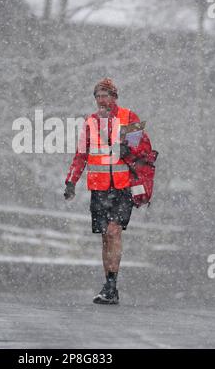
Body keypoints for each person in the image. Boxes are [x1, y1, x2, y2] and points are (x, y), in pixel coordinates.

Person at [64, 78, 152, 305]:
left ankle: (111, 285)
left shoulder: (128, 117)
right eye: (98, 96)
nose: (101, 100)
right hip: (99, 188)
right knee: (105, 238)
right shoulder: (90, 123)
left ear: (114, 97)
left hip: (123, 187)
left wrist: (127, 149)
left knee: (114, 232)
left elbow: (144, 149)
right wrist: (71, 181)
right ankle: (110, 285)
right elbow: (81, 155)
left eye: (105, 95)